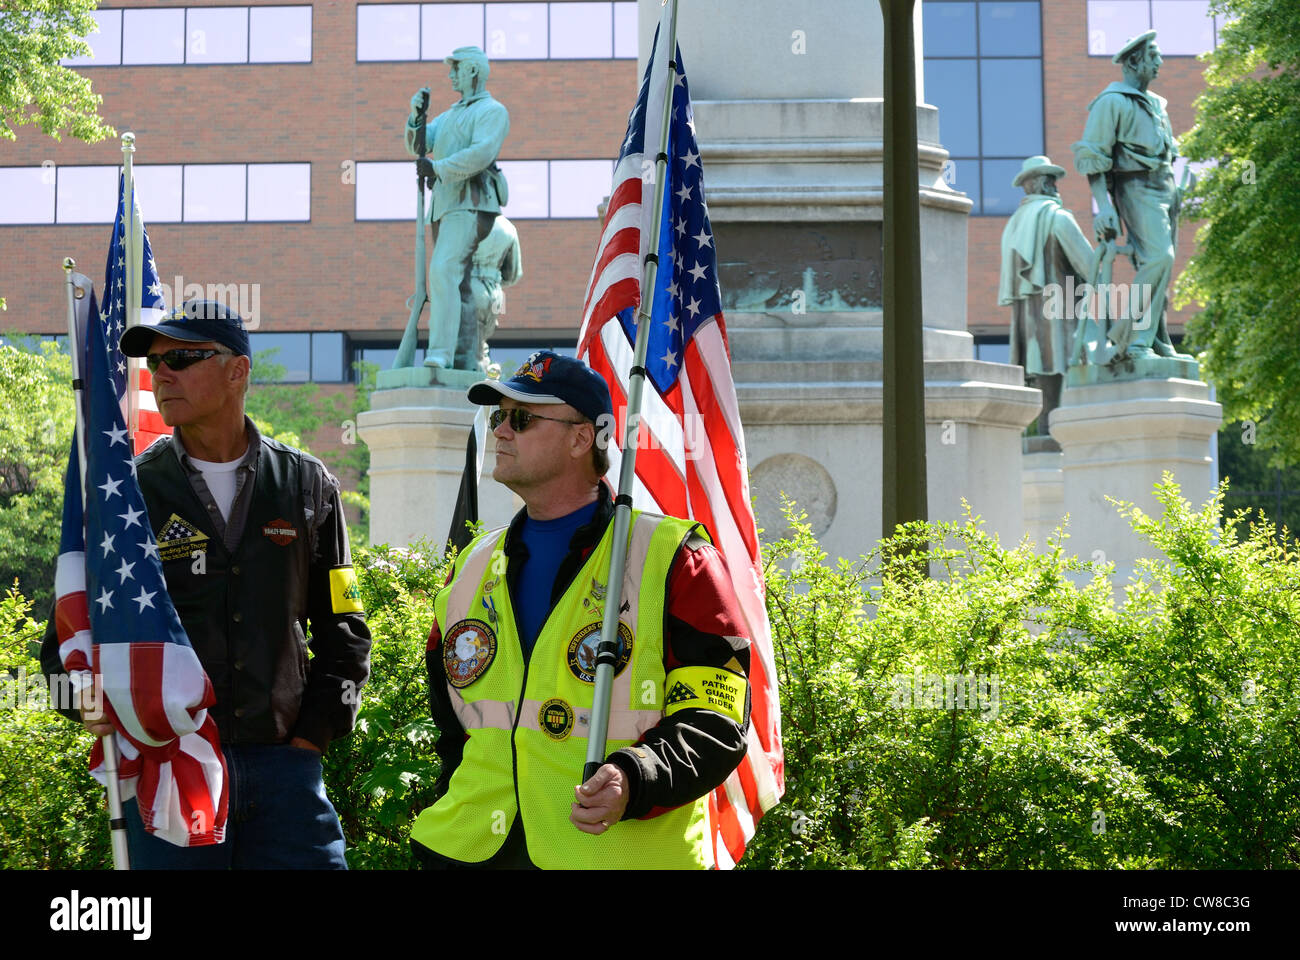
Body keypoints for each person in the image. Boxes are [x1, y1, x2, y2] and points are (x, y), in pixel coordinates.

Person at [41, 299, 372, 869]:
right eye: (155, 362)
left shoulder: (307, 483)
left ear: (238, 370)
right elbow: (62, 648)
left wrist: (310, 740)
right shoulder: (127, 495)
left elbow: (346, 629)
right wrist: (84, 701)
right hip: (168, 770)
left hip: (286, 776)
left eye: (184, 357)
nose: (161, 373)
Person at [409, 351, 752, 869]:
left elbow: (716, 721)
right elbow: (451, 721)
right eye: (498, 416)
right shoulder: (471, 567)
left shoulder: (677, 558)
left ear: (581, 438)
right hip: (467, 850)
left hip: (611, 852)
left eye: (521, 418)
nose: (501, 431)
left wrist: (635, 776)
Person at [1071, 29, 1185, 359]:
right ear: (1135, 62)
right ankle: (1130, 340)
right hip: (1136, 189)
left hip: (1166, 190)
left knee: (1162, 266)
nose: (1161, 61)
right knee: (1159, 258)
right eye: (1154, 56)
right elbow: (1092, 157)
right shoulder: (1111, 103)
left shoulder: (1157, 105)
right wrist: (1103, 206)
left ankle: (1156, 337)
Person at [405, 45, 510, 370]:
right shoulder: (449, 115)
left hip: (472, 203)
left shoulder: (492, 111)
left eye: (456, 68)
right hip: (446, 205)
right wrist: (416, 117)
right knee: (458, 280)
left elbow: (482, 152)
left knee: (443, 271)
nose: (450, 74)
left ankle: (440, 354)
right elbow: (419, 145)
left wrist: (438, 169)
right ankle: (466, 357)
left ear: (473, 71)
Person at [998, 155, 1095, 441]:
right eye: (1051, 180)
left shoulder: (1013, 225)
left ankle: (1044, 434)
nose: (1056, 186)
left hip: (1029, 322)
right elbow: (1091, 268)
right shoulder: (1057, 218)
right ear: (1041, 184)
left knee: (1044, 378)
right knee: (1067, 374)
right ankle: (1064, 437)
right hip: (1061, 315)